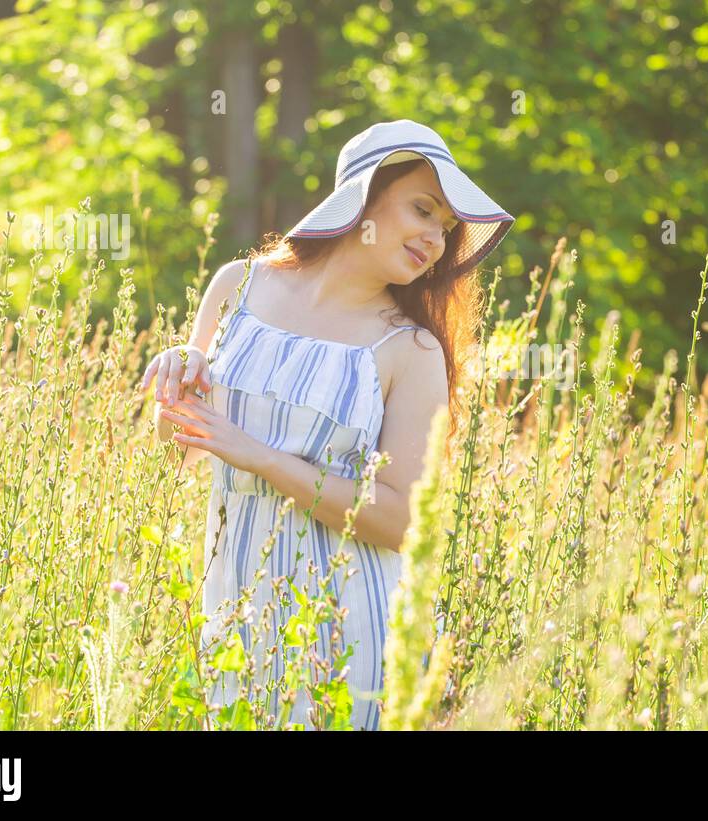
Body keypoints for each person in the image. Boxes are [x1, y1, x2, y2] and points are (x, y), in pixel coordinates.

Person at [138, 119, 513, 729]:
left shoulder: (410, 350)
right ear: (364, 196)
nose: (435, 240)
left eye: (445, 229)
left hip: (351, 630)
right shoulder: (239, 286)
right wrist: (180, 371)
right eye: (422, 210)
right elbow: (175, 440)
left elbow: (400, 523)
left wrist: (261, 456)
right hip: (236, 610)